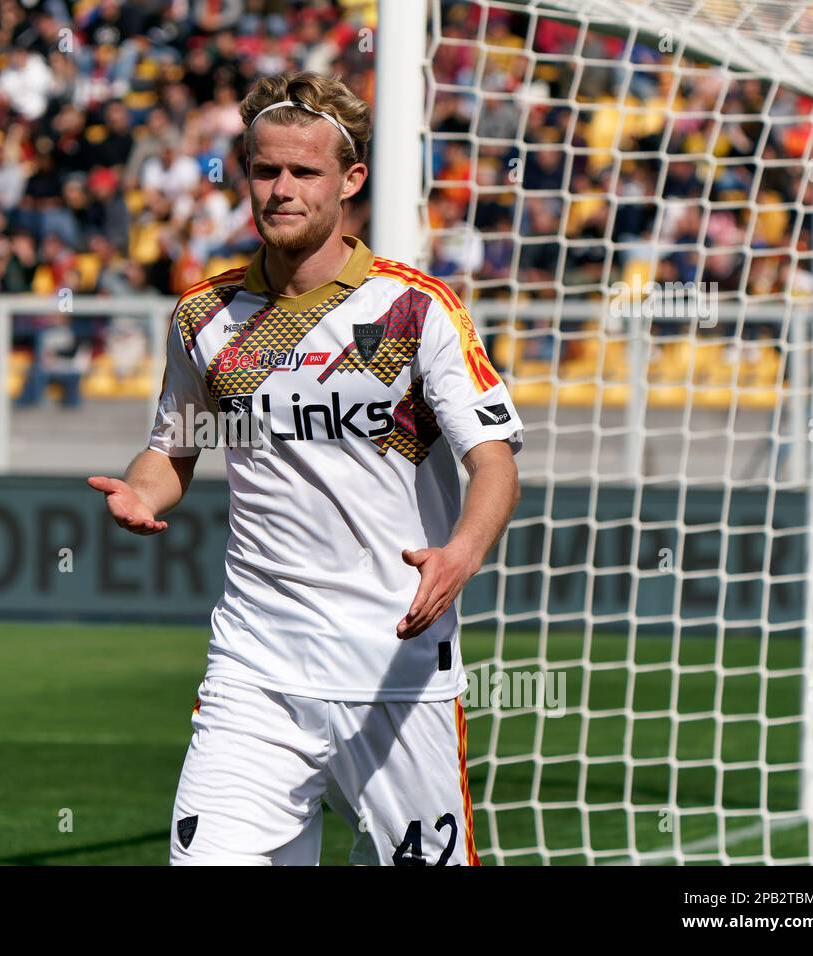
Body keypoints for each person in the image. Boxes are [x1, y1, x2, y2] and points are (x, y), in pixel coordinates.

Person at [88, 72, 524, 866]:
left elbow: (493, 460)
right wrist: (141, 490)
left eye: (304, 172)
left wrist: (463, 551)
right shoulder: (204, 316)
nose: (281, 189)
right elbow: (174, 448)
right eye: (265, 170)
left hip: (396, 664)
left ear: (350, 180)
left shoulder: (417, 309)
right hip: (257, 664)